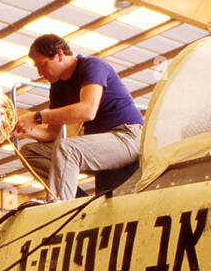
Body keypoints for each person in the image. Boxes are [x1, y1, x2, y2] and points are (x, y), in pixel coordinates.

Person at [13, 34, 143, 200]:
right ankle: (79, 201)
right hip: (103, 142)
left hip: (128, 137)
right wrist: (26, 130)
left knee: (67, 149)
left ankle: (60, 208)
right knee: (29, 151)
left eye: (42, 65)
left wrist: (38, 117)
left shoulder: (92, 66)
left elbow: (88, 110)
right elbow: (52, 135)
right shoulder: (57, 87)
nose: (40, 72)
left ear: (60, 55)